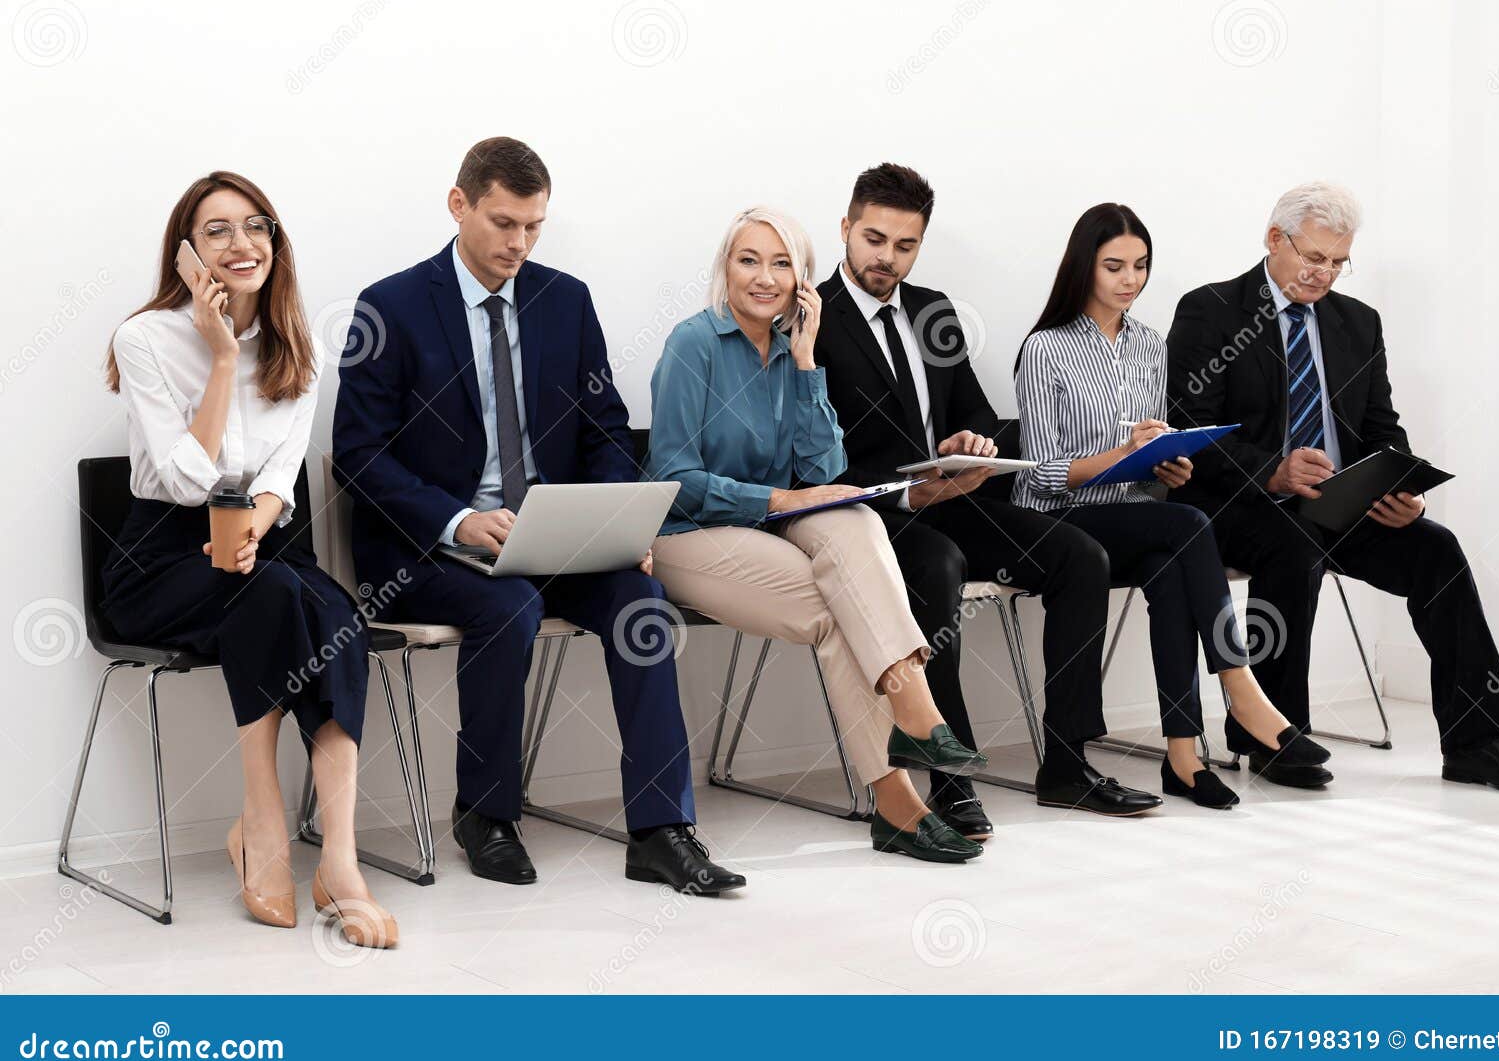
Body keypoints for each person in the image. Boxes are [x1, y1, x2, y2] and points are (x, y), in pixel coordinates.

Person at [332, 137, 743, 892]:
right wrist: (457, 520)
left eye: (534, 227)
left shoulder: (566, 300)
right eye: (503, 223)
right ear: (458, 206)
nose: (518, 243)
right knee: (509, 605)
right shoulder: (388, 306)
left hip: (556, 539)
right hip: (427, 555)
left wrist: (620, 519)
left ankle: (660, 829)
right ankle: (485, 813)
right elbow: (357, 455)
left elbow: (604, 430)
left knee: (640, 601)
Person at [1166, 181, 1499, 796]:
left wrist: (1400, 483)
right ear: (1275, 240)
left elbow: (1382, 428)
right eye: (1313, 257)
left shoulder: (1358, 322)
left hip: (1337, 502)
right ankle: (1274, 732)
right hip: (1239, 505)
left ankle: (1477, 742)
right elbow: (1191, 430)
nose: (1325, 274)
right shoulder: (1210, 309)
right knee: (1291, 539)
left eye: (1338, 261)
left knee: (1436, 548)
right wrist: (1272, 469)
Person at [810, 164, 1161, 832]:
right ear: (847, 229)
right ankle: (949, 772)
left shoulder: (932, 309)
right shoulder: (814, 317)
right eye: (875, 239)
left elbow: (974, 412)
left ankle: (1065, 763)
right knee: (937, 561)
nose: (887, 258)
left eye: (905, 245)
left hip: (950, 496)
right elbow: (809, 448)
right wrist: (910, 484)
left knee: (1080, 556)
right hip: (865, 511)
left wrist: (972, 445)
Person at [102, 171, 395, 947]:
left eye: (257, 226)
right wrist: (222, 355)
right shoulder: (145, 339)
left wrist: (248, 535)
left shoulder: (299, 345)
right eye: (219, 230)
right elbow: (185, 478)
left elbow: (279, 480)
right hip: (159, 559)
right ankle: (261, 819)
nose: (243, 244)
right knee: (274, 595)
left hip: (257, 538)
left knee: (333, 611)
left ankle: (337, 854)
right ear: (187, 254)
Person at [646, 205, 988, 863]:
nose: (764, 277)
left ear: (803, 281)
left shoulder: (788, 353)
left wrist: (805, 362)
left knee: (852, 517)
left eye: (782, 264)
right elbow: (672, 475)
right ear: (726, 267)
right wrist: (779, 497)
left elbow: (824, 470)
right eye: (749, 260)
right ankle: (908, 762)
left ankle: (903, 782)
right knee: (844, 602)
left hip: (767, 530)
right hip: (686, 533)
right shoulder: (693, 343)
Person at [1012, 203, 1333, 807]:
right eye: (1113, 266)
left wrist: (1168, 461)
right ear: (1083, 268)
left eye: (1140, 266)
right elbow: (1041, 473)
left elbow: (1152, 462)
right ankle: (1240, 686)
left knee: (1171, 558)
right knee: (1189, 522)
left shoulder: (1150, 346)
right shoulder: (1045, 349)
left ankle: (1183, 757)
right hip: (1058, 518)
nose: (1129, 279)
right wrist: (1120, 455)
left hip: (1133, 513)